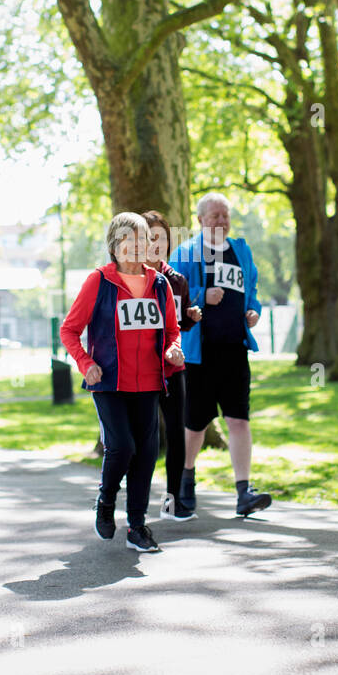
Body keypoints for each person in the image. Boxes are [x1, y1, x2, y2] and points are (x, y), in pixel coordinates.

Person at [60, 212, 183, 552]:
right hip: (110, 382)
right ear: (114, 246)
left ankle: (137, 527)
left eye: (142, 240)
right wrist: (86, 364)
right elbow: (69, 330)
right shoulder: (99, 281)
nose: (135, 246)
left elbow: (173, 331)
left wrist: (173, 350)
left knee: (146, 453)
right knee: (122, 446)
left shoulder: (160, 284)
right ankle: (106, 500)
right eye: (127, 240)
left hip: (149, 383)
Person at [169, 192, 272, 517]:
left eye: (225, 215)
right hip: (199, 354)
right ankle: (184, 482)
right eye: (214, 215)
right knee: (196, 424)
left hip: (234, 350)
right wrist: (202, 294)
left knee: (239, 419)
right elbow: (172, 297)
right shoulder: (186, 252)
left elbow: (251, 290)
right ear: (200, 220)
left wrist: (252, 311)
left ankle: (244, 491)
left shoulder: (240, 250)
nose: (221, 221)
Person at [141, 209, 201, 522]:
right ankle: (133, 502)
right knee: (143, 438)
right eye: (150, 238)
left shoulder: (176, 280)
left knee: (176, 433)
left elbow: (176, 325)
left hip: (173, 368)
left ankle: (173, 501)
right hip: (138, 371)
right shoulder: (132, 280)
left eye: (162, 239)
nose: (156, 244)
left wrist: (189, 318)